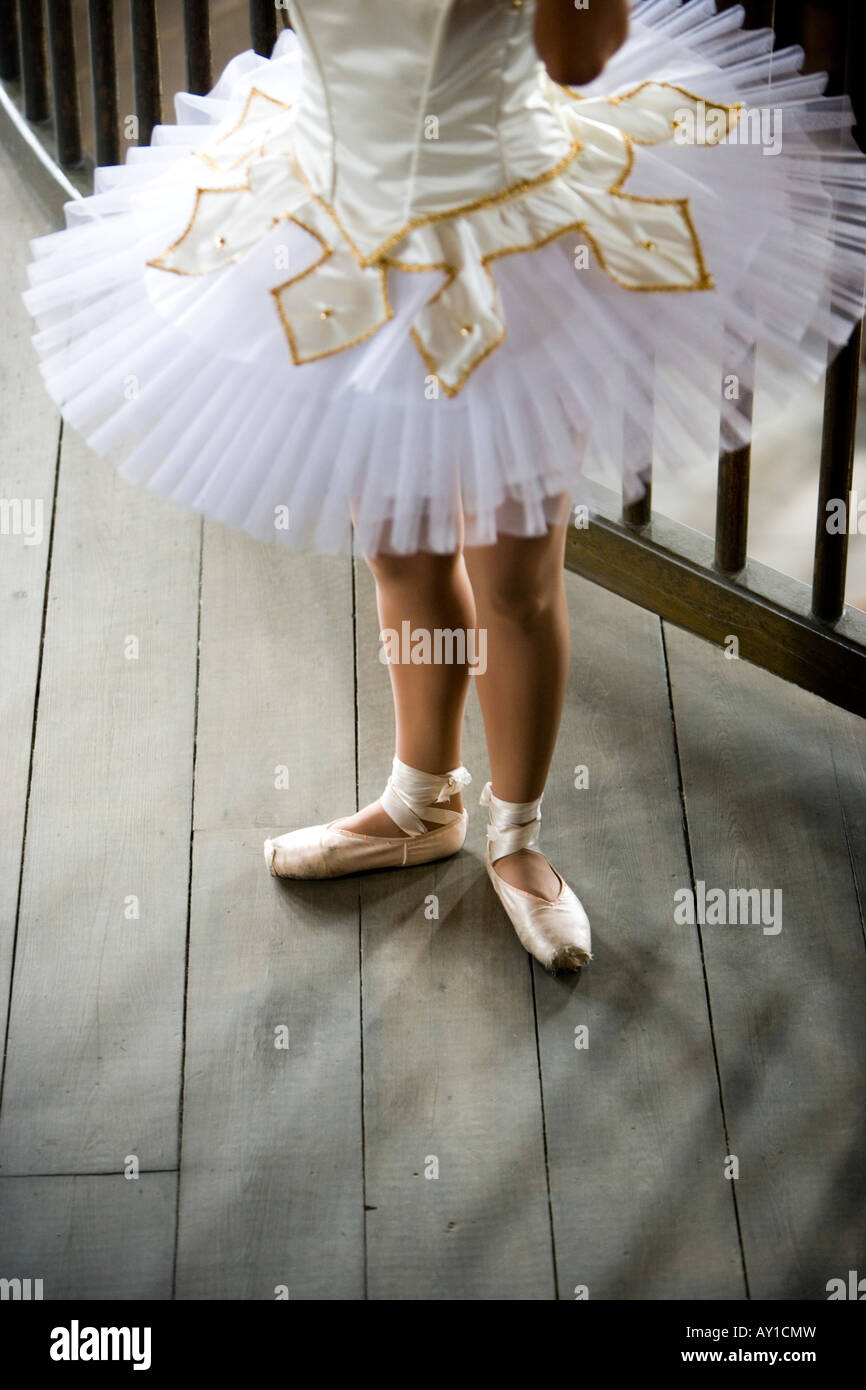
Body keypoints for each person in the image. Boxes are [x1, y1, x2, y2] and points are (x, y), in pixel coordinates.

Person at [23, 1, 866, 971]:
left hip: (508, 239)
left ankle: (516, 841)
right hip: (337, 217)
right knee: (396, 544)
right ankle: (421, 803)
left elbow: (579, 51)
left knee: (514, 574)